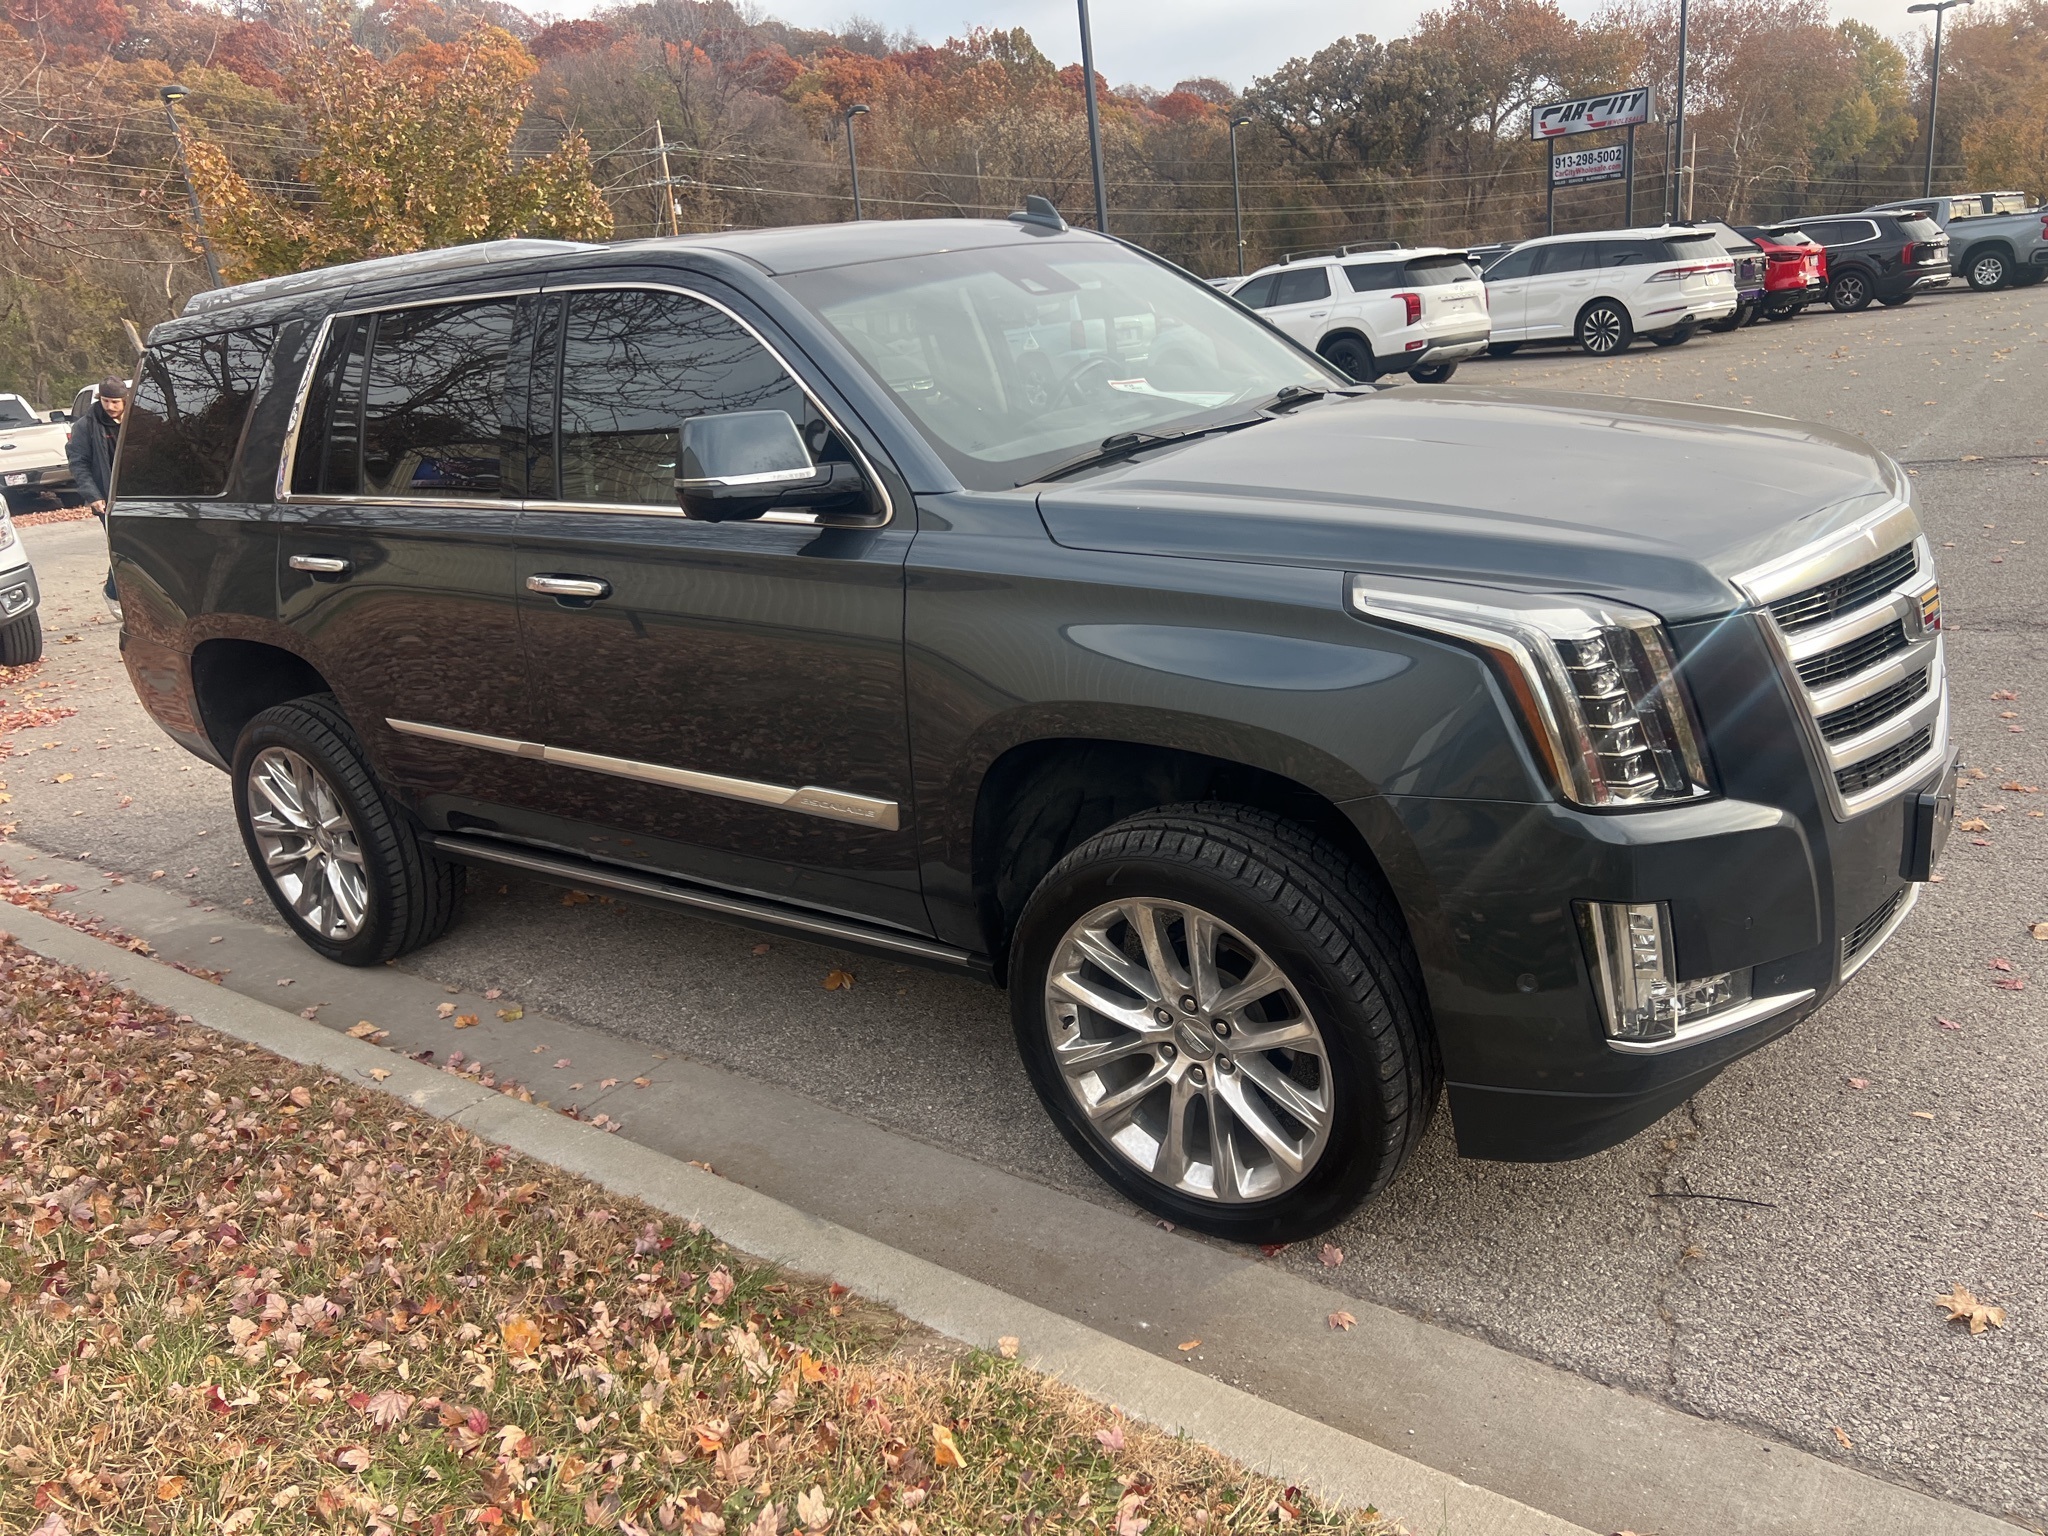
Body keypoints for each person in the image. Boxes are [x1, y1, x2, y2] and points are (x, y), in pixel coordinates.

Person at [65, 375, 129, 609]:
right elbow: (78, 462)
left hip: (138, 494)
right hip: (108, 499)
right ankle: (112, 593)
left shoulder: (136, 420)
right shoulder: (86, 426)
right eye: (105, 401)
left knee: (146, 547)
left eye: (115, 402)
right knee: (122, 548)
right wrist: (93, 495)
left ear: (125, 400)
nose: (110, 407)